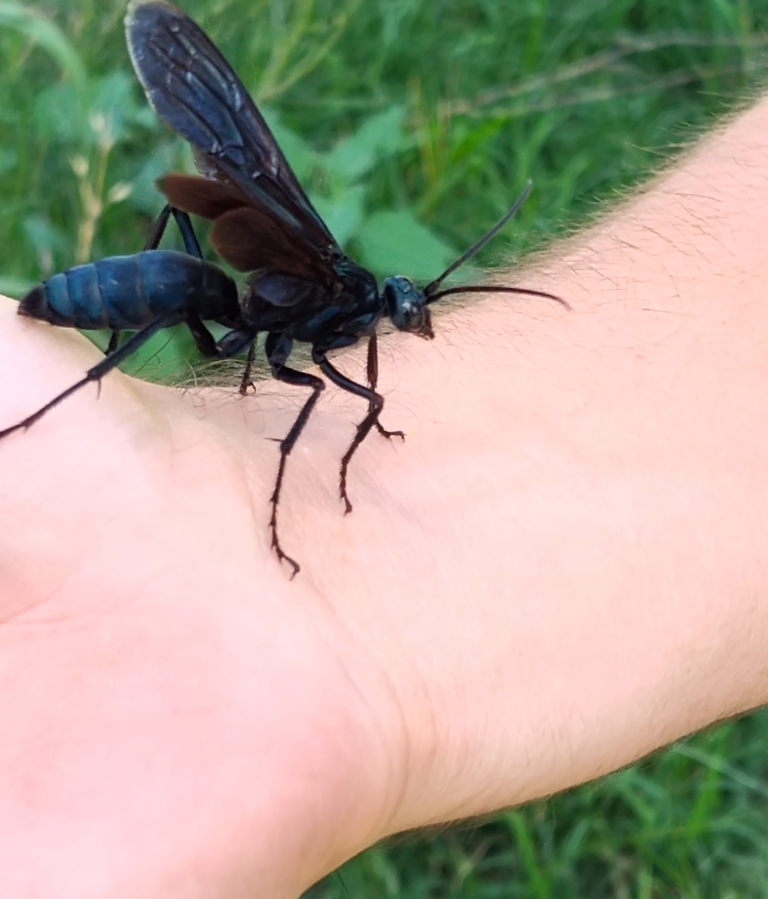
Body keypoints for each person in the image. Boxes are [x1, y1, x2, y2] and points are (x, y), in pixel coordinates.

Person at [0, 94, 767, 899]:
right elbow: (329, 380)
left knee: (254, 336)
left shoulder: (337, 307)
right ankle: (50, 406)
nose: (411, 320)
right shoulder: (327, 289)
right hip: (161, 298)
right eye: (410, 311)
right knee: (197, 310)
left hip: (196, 308)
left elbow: (353, 379)